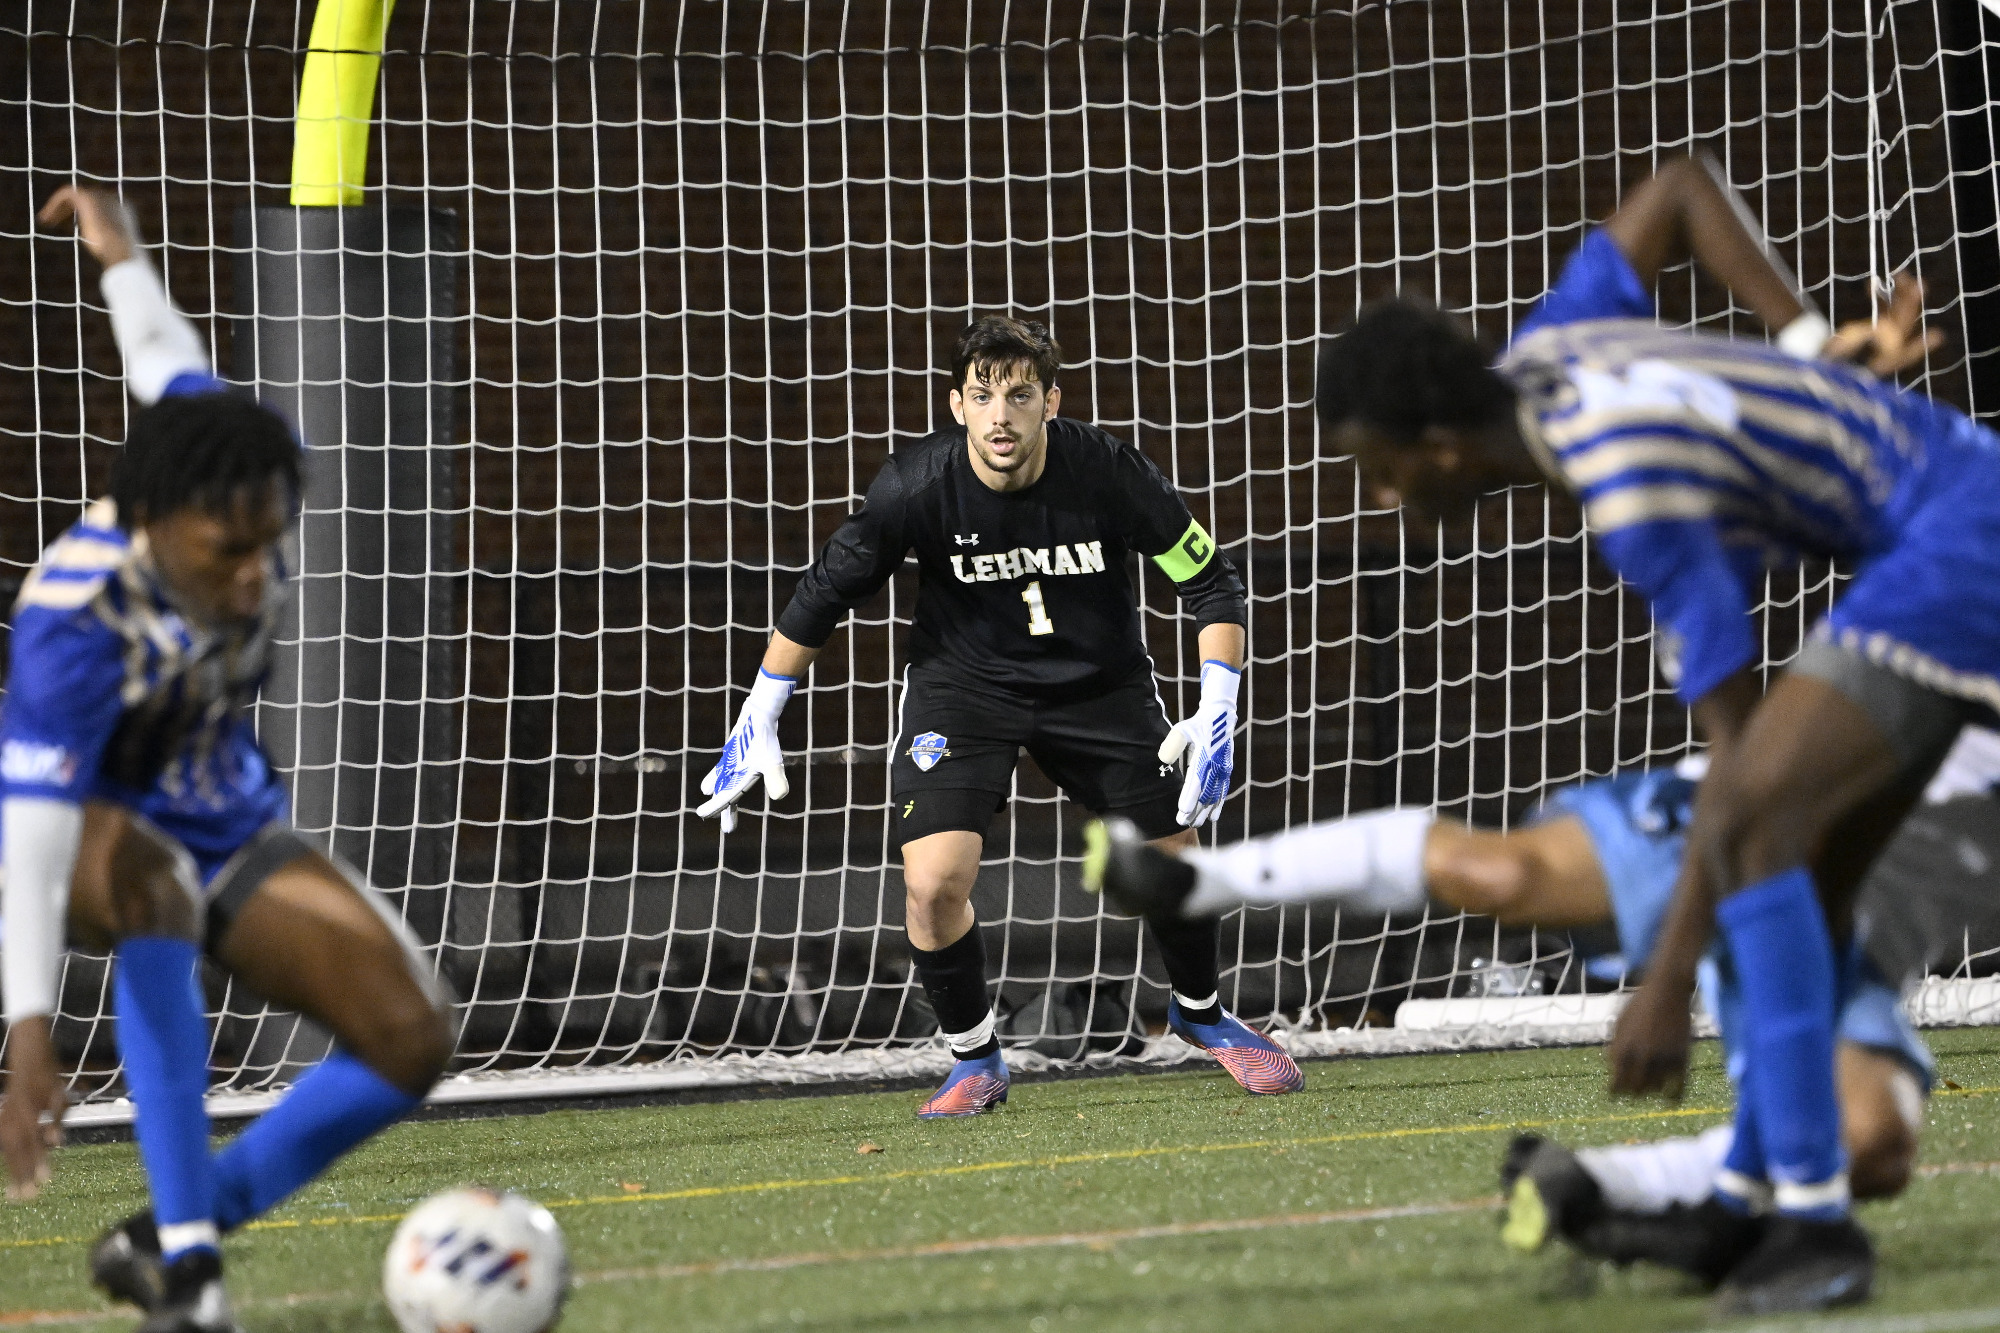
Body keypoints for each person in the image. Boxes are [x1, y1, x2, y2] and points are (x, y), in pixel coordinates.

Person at [1310, 152, 1986, 1313]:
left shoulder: (1627, 490)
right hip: (1948, 516)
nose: (1378, 497)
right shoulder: (1549, 347)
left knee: (1767, 830)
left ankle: (1811, 1228)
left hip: (1956, 549)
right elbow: (1675, 190)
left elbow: (1734, 777)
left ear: (1433, 448)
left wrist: (1663, 984)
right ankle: (1739, 1197)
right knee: (1805, 877)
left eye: (1374, 468)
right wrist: (1806, 341)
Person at [0, 187, 455, 1333]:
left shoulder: (214, 454)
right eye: (228, 552)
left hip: (224, 811)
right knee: (147, 874)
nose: (257, 574)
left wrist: (122, 256)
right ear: (152, 522)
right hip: (75, 822)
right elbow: (37, 841)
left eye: (270, 542)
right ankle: (195, 1288)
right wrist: (28, 1027)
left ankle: (165, 1237)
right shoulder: (73, 619)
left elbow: (165, 353)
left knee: (413, 1034)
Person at [1086, 725, 2000, 1282]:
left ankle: (1602, 1183)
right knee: (1504, 871)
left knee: (1874, 1146)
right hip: (1742, 824)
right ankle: (1196, 877)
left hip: (1852, 931)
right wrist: (1671, 980)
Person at [695, 315, 1302, 1116]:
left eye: (1019, 395)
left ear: (1052, 401)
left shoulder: (1109, 470)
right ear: (957, 405)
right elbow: (824, 592)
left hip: (1100, 687)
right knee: (934, 882)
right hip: (965, 689)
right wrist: (762, 708)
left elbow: (1210, 580)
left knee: (1175, 867)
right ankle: (976, 1059)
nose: (1000, 415)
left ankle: (1199, 1010)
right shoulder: (915, 484)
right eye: (983, 395)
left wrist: (1217, 703)